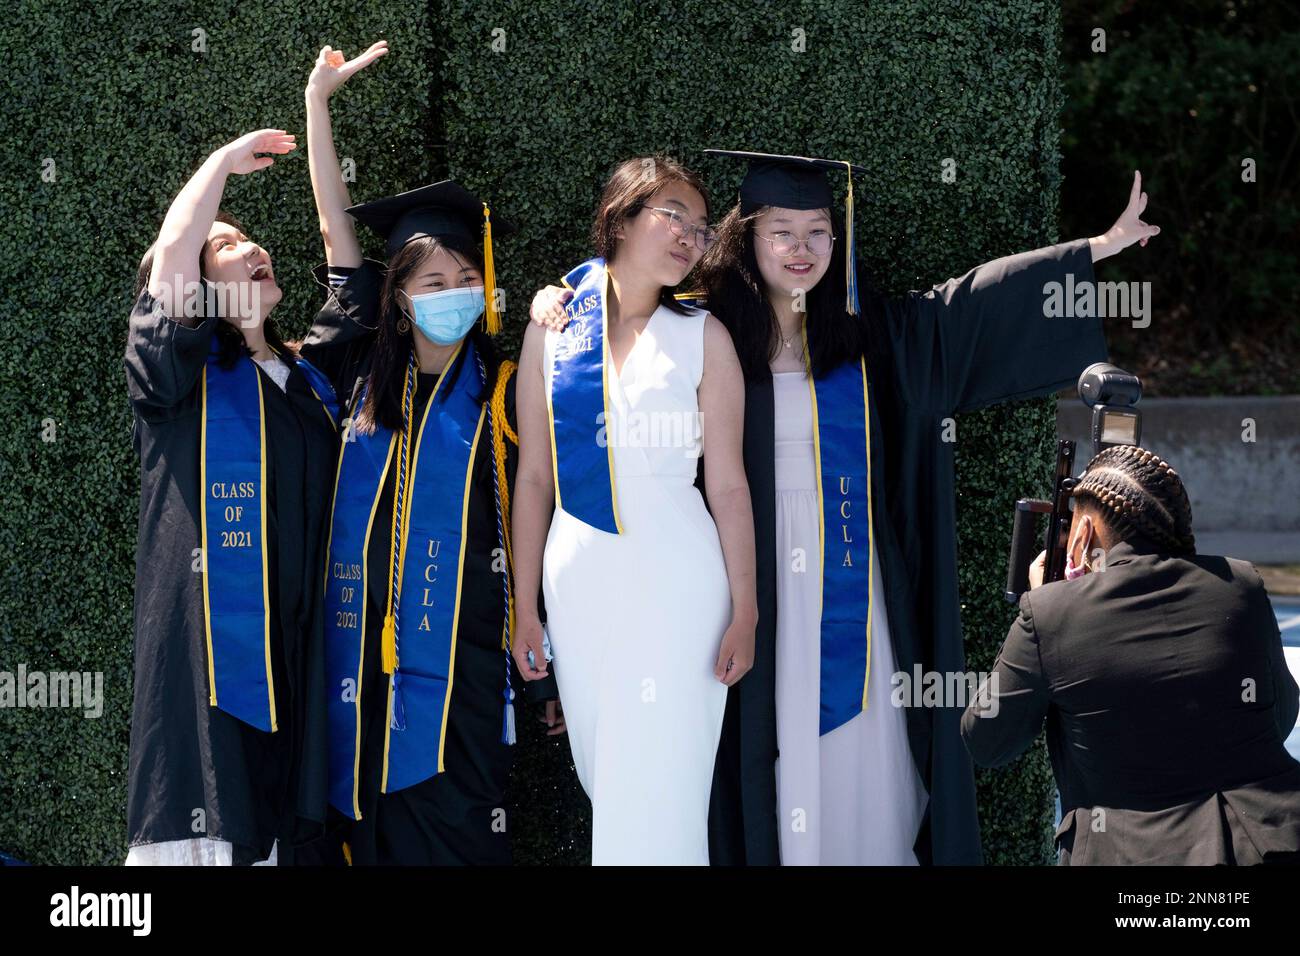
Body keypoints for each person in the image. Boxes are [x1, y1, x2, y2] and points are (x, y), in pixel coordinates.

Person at [532, 152, 1155, 864]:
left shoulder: (871, 338)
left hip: (855, 589)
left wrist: (1097, 250)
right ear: (748, 239)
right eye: (781, 232)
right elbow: (616, 317)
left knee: (864, 752)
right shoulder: (704, 331)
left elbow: (973, 306)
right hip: (745, 577)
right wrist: (555, 296)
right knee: (766, 736)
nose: (802, 250)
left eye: (819, 232)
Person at [299, 41, 557, 865]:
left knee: (460, 825)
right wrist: (318, 106)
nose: (453, 295)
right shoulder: (362, 368)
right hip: (357, 653)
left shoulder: (510, 381)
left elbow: (538, 505)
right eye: (432, 282)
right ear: (399, 298)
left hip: (469, 659)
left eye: (465, 276)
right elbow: (337, 231)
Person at [511, 155, 758, 864]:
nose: (691, 236)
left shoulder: (703, 337)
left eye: (701, 227)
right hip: (580, 581)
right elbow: (533, 478)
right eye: (673, 215)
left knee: (664, 780)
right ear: (620, 218)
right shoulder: (551, 328)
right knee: (606, 775)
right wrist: (526, 609)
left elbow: (730, 485)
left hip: (680, 585)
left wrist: (746, 609)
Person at [123, 129, 338, 865]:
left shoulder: (310, 381)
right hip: (206, 669)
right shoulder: (180, 381)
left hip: (301, 664)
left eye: (250, 237)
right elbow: (171, 271)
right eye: (227, 243)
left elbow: (353, 280)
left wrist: (316, 111)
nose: (250, 247)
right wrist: (216, 164)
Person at [961, 444, 1300, 865]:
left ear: (1082, 533)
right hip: (1272, 841)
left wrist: (1044, 608)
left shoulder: (1050, 612)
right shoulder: (1242, 583)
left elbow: (987, 741)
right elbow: (1281, 715)